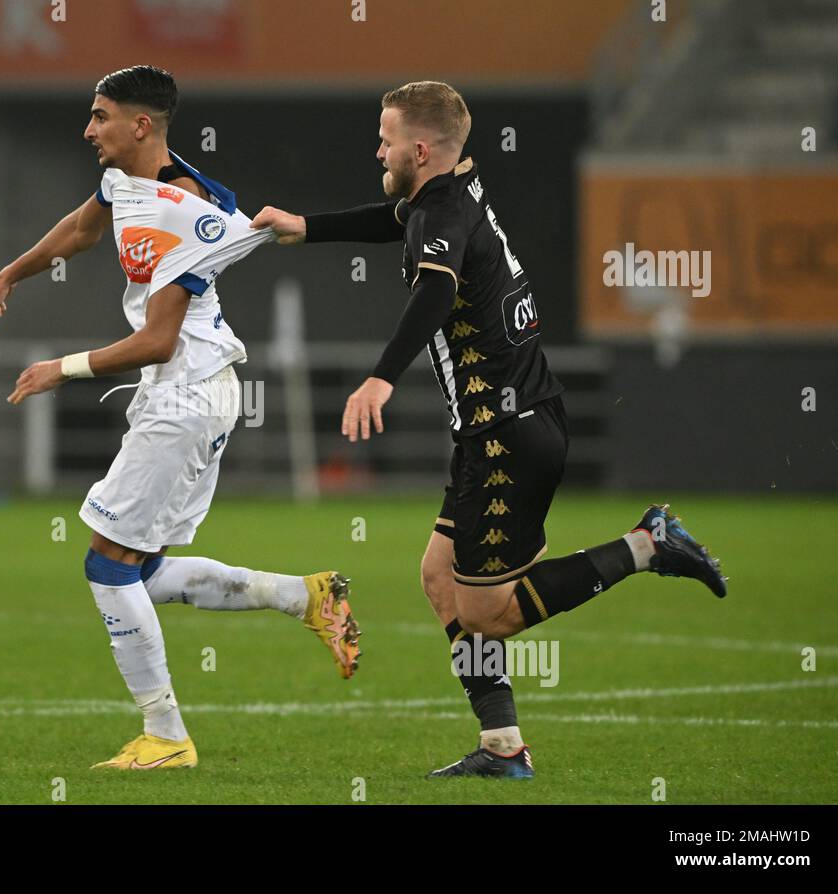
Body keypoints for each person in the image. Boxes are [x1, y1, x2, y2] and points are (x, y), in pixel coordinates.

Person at [252, 80, 726, 778]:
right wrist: (306, 224)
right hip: (501, 426)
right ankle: (503, 746)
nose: (376, 149)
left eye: (385, 139)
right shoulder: (452, 192)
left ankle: (647, 545)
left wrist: (381, 375)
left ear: (419, 148)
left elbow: (436, 290)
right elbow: (400, 220)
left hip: (508, 434)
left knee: (490, 615)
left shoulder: (441, 210)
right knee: (440, 579)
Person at [0, 65, 361, 771]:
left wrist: (62, 368)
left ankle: (167, 736)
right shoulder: (125, 183)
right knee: (139, 569)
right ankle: (301, 596)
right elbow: (79, 230)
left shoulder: (180, 210)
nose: (89, 129)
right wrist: (8, 275)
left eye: (100, 115)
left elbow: (158, 340)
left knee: (104, 562)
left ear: (141, 125)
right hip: (184, 390)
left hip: (186, 389)